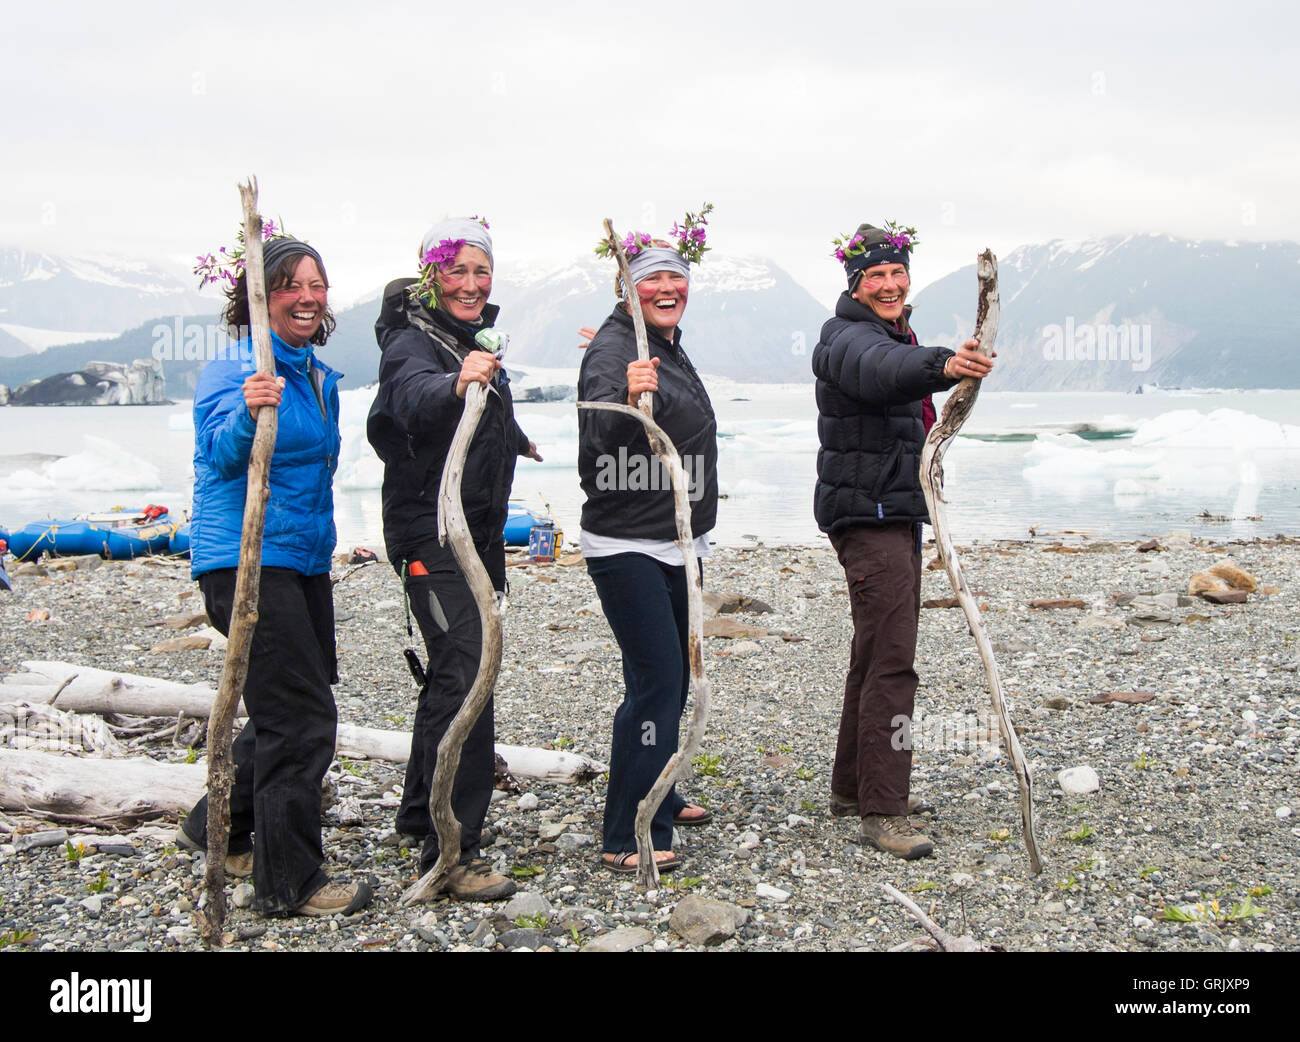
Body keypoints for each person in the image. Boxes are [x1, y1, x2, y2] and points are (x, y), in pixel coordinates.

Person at [179, 235, 372, 917]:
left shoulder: (318, 375)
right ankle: (289, 880)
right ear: (261, 298)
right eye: (291, 284)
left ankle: (216, 827)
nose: (309, 296)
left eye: (317, 284)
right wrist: (248, 410)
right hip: (245, 559)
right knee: (302, 718)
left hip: (303, 559)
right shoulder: (233, 368)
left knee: (287, 702)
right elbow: (217, 453)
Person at [367, 217, 540, 901]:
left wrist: (513, 433)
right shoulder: (413, 342)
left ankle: (421, 813)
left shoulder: (461, 337)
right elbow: (410, 397)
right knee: (470, 674)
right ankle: (452, 849)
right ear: (430, 275)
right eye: (457, 270)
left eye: (481, 270)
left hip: (476, 538)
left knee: (453, 673)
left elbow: (476, 404)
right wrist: (452, 386)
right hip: (431, 540)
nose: (471, 283)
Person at [813, 222, 993, 860]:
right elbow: (882, 371)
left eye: (897, 273)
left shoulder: (893, 332)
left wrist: (934, 362)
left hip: (893, 512)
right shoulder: (844, 339)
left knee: (871, 654)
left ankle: (852, 788)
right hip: (869, 516)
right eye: (875, 277)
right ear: (855, 285)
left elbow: (896, 367)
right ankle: (883, 811)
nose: (889, 285)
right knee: (894, 661)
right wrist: (942, 364)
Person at [578, 225, 719, 874]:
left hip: (675, 540)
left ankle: (661, 787)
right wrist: (629, 396)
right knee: (659, 683)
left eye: (674, 277)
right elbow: (602, 436)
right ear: (626, 288)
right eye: (650, 279)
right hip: (628, 542)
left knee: (661, 679)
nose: (666, 288)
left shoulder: (661, 341)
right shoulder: (617, 350)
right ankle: (626, 828)